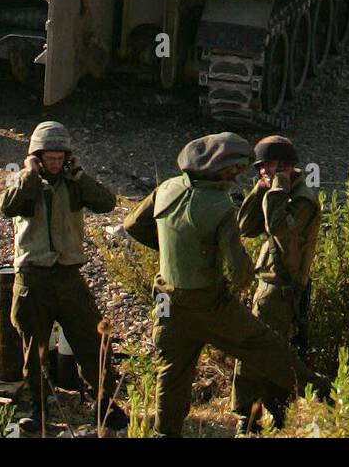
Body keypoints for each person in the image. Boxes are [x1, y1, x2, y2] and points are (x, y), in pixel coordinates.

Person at [123, 132, 313, 437]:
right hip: (211, 304)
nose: (235, 176)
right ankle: (330, 395)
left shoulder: (167, 188)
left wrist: (177, 248)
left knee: (171, 373)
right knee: (266, 348)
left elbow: (132, 224)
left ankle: (165, 432)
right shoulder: (219, 203)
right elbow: (240, 272)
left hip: (169, 302)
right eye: (233, 170)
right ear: (217, 171)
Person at [0, 120, 127, 432]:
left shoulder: (73, 184)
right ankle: (39, 408)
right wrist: (29, 173)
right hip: (33, 279)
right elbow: (7, 206)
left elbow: (106, 202)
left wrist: (79, 174)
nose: (55, 164)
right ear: (37, 157)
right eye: (49, 159)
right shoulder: (23, 182)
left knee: (92, 341)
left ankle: (104, 404)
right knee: (34, 349)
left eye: (60, 158)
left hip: (69, 277)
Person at [230, 134, 321, 433]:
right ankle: (258, 412)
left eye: (268, 168)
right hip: (269, 283)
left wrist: (277, 188)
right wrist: (260, 189)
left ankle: (258, 412)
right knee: (270, 350)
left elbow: (279, 227)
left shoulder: (303, 197)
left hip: (280, 287)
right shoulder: (275, 192)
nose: (264, 173)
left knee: (258, 350)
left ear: (285, 167)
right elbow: (246, 226)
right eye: (261, 169)